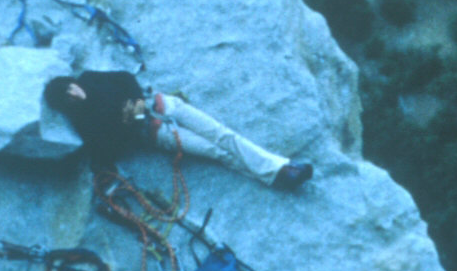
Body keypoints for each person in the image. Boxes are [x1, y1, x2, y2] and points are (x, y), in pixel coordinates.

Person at [43, 71, 313, 191]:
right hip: (156, 132)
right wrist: (133, 118)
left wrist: (133, 112)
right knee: (215, 151)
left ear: (72, 82)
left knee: (222, 134)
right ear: (67, 106)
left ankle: (277, 169)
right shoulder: (85, 122)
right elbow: (111, 146)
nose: (74, 94)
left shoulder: (90, 78)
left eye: (70, 87)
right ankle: (278, 174)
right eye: (67, 97)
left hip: (165, 106)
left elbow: (125, 78)